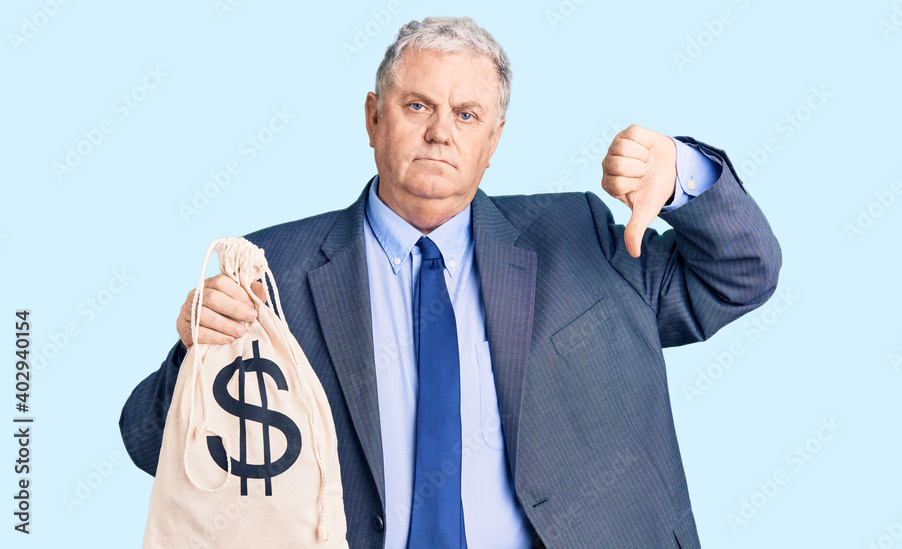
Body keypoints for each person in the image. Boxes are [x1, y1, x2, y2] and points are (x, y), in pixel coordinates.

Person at [120, 16, 780, 549]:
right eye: (417, 106)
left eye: (466, 115)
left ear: (494, 139)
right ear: (374, 118)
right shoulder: (274, 268)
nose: (440, 132)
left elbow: (740, 276)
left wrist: (685, 175)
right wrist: (197, 352)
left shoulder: (579, 236)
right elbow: (151, 444)